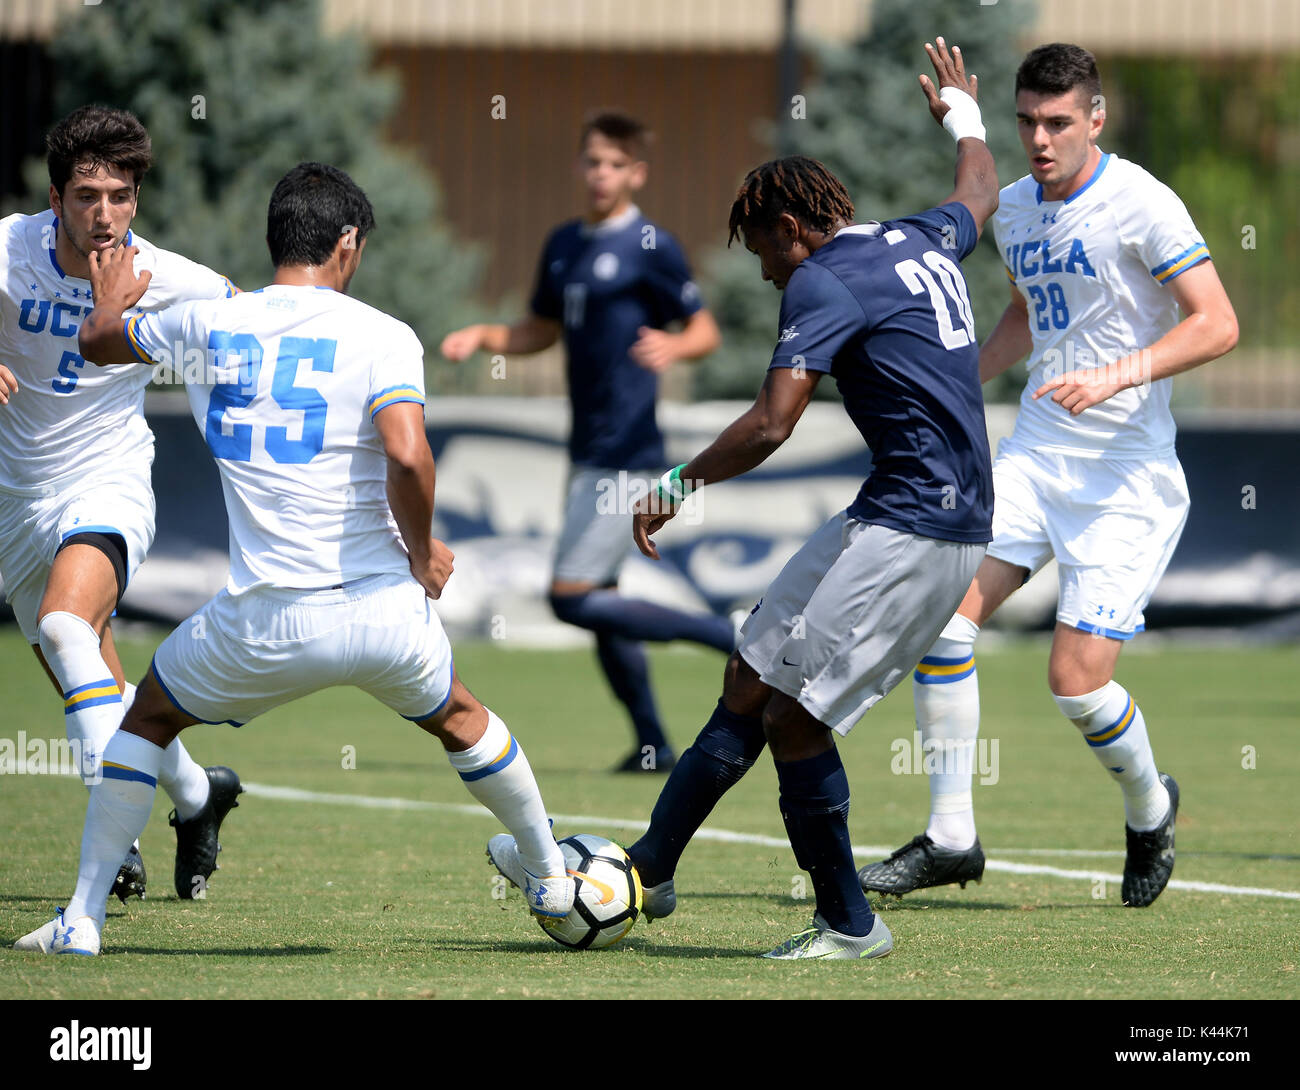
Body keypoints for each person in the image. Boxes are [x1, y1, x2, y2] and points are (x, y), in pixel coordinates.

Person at [492, 38, 998, 958]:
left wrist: (679, 482)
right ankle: (654, 865)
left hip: (922, 528)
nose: (762, 270)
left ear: (791, 229)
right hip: (894, 511)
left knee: (792, 717)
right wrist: (964, 117)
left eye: (760, 246)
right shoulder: (917, 237)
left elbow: (773, 423)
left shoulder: (820, 276)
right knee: (750, 675)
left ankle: (851, 924)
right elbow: (979, 193)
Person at [15, 162, 572, 957]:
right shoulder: (383, 334)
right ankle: (550, 878)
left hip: (263, 620)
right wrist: (420, 555)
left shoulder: (210, 324)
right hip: (382, 611)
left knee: (145, 719)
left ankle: (85, 919)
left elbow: (98, 342)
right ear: (347, 243)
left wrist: (109, 291)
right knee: (459, 717)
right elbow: (408, 458)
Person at [857, 43, 1238, 908]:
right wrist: (956, 380)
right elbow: (1030, 313)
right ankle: (952, 837)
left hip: (1124, 480)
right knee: (944, 623)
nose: (1040, 138)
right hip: (1034, 453)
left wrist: (1117, 373)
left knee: (1076, 681)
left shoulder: (1140, 201)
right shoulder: (1020, 210)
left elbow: (1217, 324)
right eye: (1028, 120)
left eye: (1059, 122)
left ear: (1095, 119)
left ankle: (1149, 806)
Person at [0, 104, 244, 905]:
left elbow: (260, 326)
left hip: (105, 482)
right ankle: (200, 797)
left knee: (67, 628)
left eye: (118, 195)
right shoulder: (8, 248)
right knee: (93, 674)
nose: (102, 214)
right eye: (84, 195)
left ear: (136, 198)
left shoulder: (170, 279)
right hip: (14, 502)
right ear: (54, 197)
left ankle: (109, 856)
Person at [440, 111, 729, 773]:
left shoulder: (653, 244)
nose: (602, 174)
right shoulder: (564, 243)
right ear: (580, 166)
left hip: (628, 449)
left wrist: (676, 343)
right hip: (588, 448)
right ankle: (653, 743)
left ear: (637, 173)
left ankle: (727, 635)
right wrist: (486, 335)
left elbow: (705, 330)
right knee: (598, 601)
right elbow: (539, 330)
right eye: (593, 162)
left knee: (570, 597)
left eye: (615, 165)